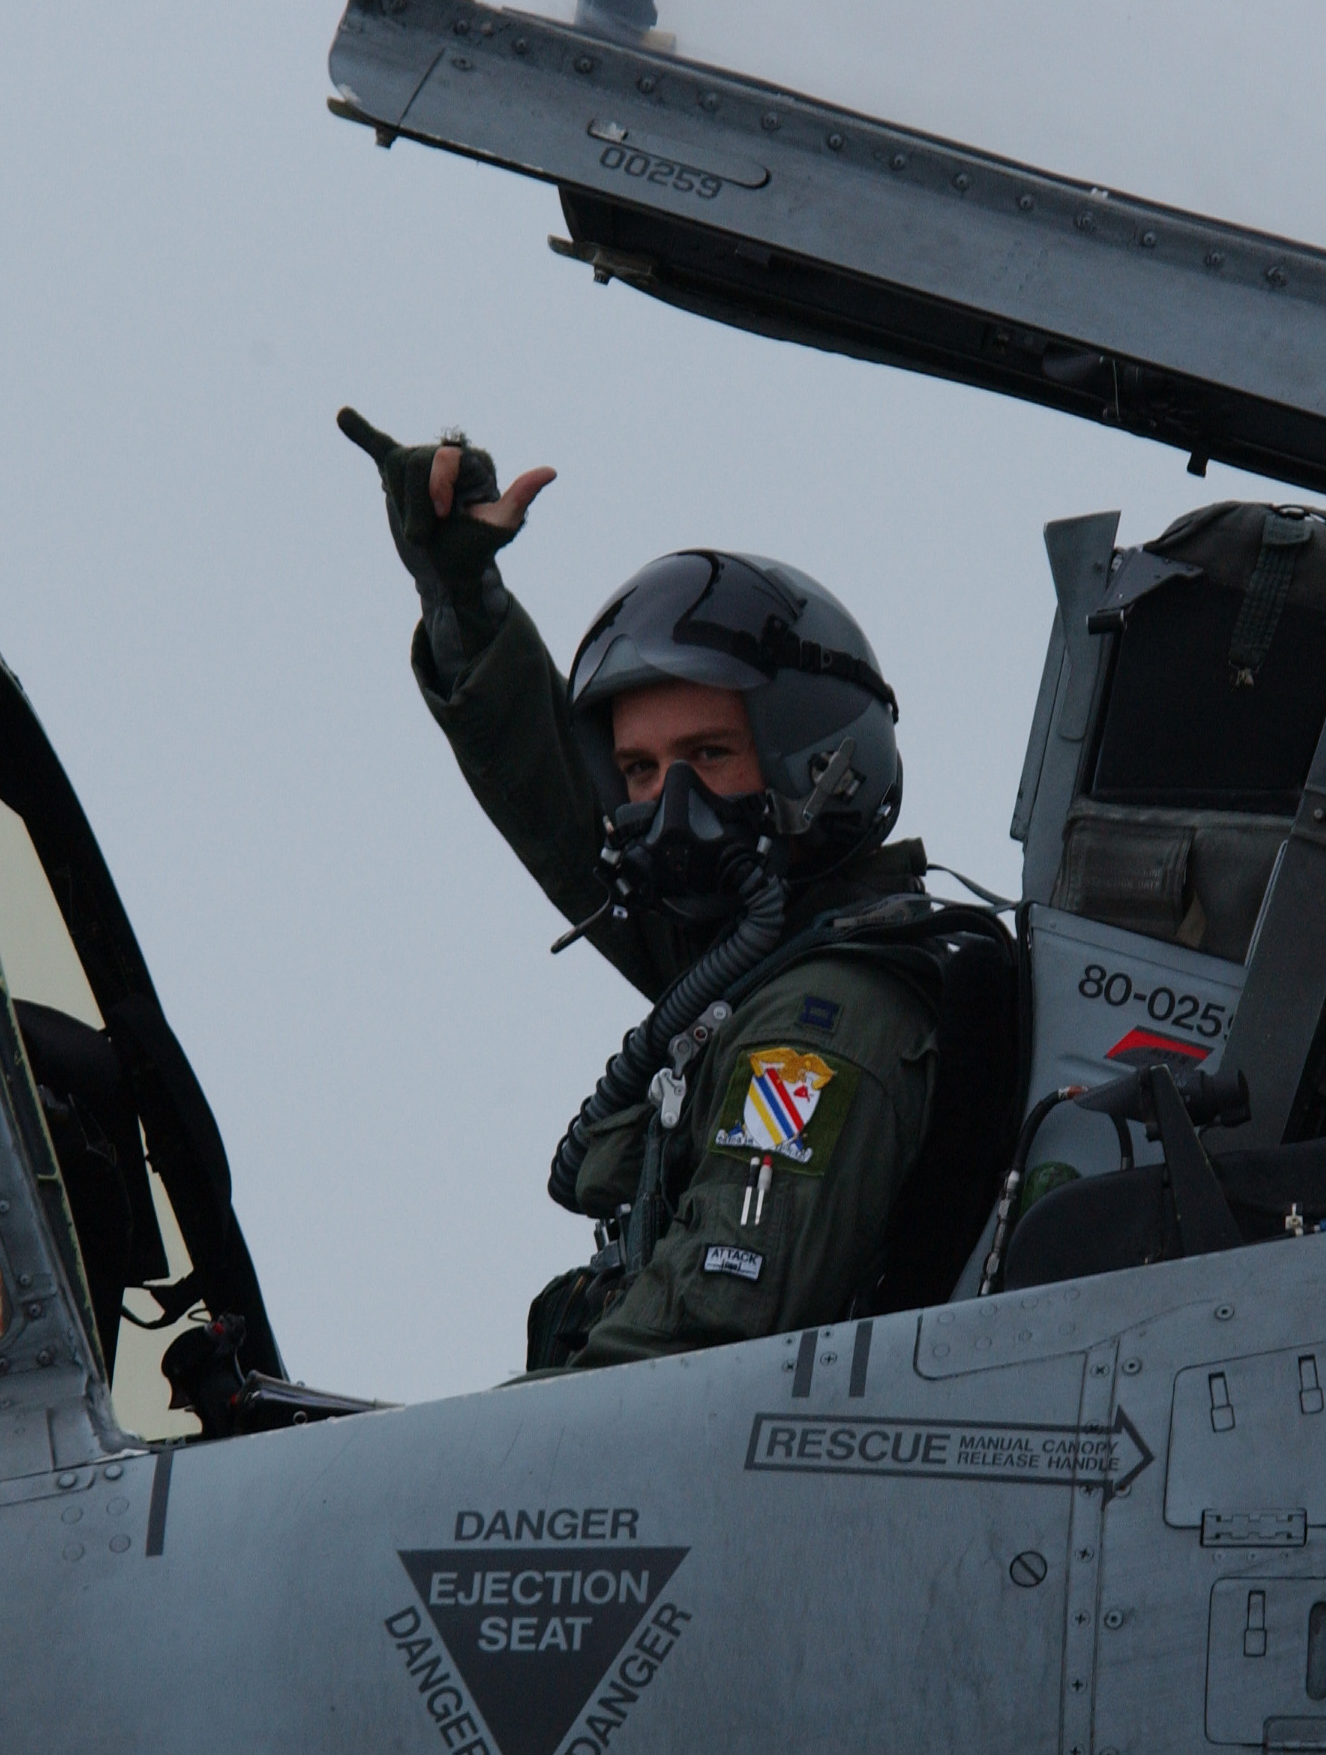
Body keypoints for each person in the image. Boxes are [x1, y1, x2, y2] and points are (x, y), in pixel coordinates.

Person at [343, 412, 1013, 1371]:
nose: (670, 810)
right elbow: (557, 808)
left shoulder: (821, 1025)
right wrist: (461, 601)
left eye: (709, 755)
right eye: (643, 772)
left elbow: (686, 1351)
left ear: (823, 763)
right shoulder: (755, 961)